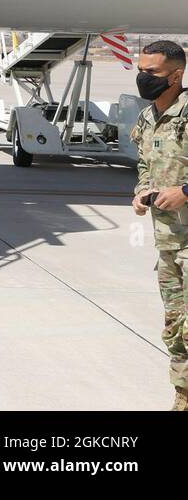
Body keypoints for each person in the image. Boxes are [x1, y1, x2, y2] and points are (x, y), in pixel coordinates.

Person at [129, 40, 188, 411]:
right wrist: (141, 192)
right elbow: (144, 167)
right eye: (141, 70)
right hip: (168, 243)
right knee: (175, 327)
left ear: (176, 75)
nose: (143, 78)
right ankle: (182, 397)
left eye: (152, 73)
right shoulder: (147, 118)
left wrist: (184, 191)